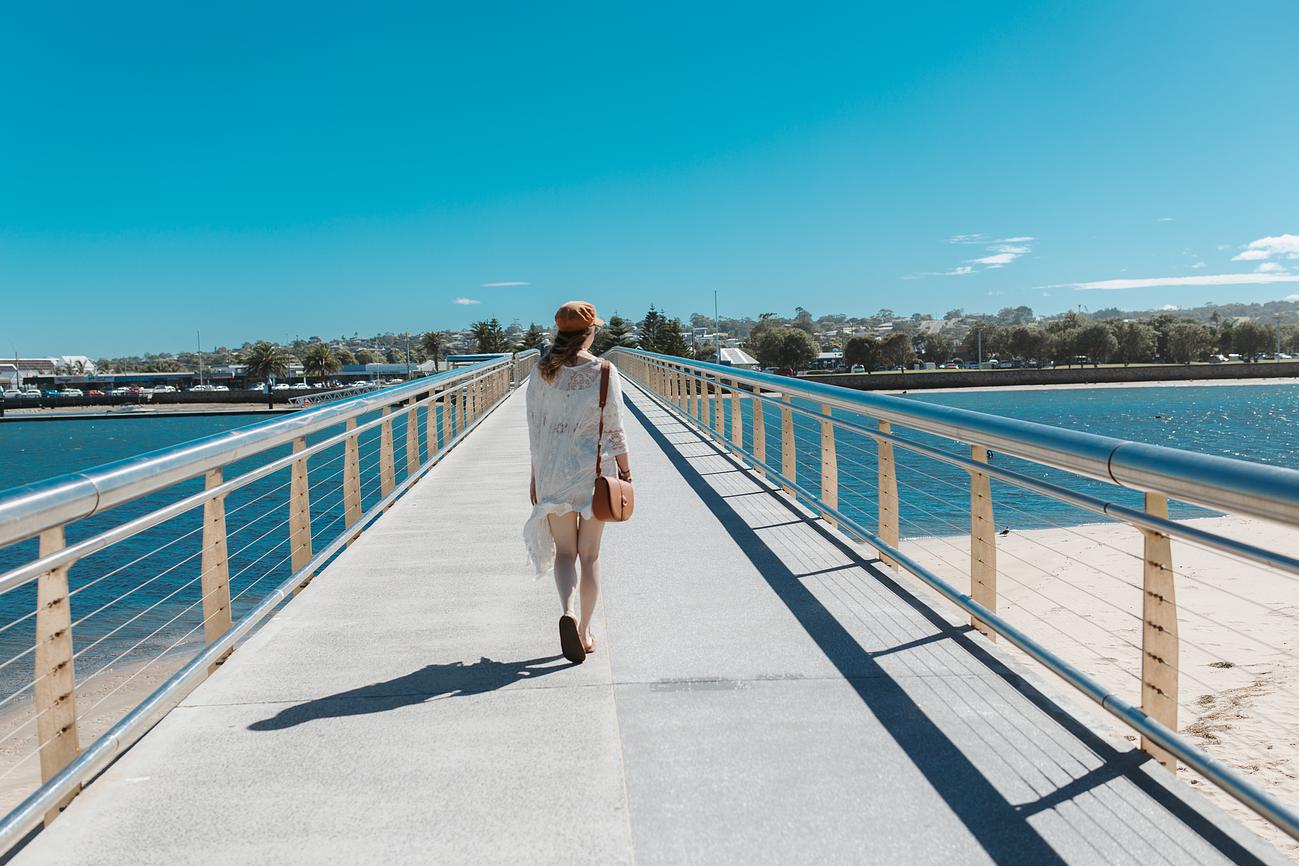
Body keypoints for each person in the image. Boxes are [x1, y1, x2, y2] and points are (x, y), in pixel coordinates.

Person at [524, 301, 632, 664]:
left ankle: (567, 611)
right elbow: (615, 428)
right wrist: (626, 472)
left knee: (565, 554)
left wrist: (536, 473)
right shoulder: (604, 371)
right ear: (590, 333)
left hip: (554, 472)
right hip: (595, 473)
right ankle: (585, 631)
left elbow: (534, 427)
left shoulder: (541, 372)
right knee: (591, 555)